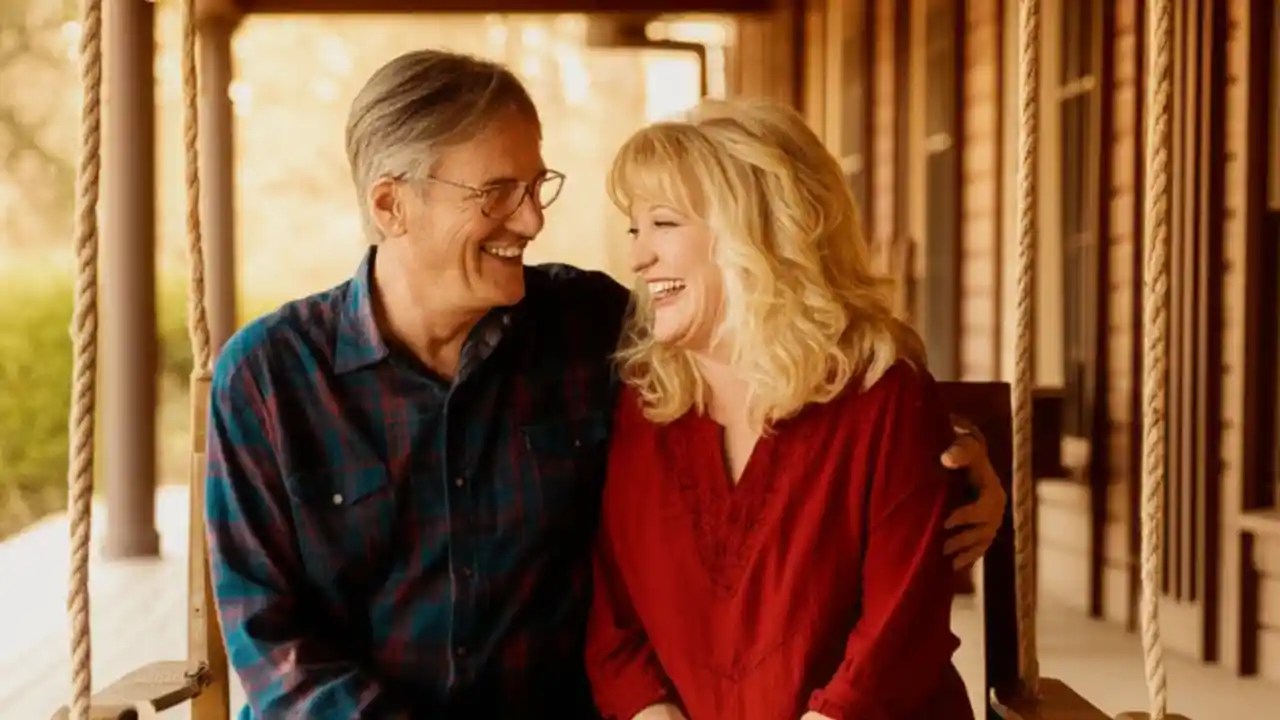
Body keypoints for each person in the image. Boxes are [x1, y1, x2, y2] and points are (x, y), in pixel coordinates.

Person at [204, 50, 1004, 719]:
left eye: (535, 186)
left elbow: (770, 355)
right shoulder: (269, 381)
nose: (531, 221)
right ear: (390, 205)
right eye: (497, 194)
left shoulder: (593, 331)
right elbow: (275, 650)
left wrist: (955, 458)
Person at [584, 98, 976, 720]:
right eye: (636, 230)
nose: (637, 258)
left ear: (757, 229)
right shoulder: (646, 407)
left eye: (663, 224)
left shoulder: (885, 399)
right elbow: (615, 625)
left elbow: (899, 639)